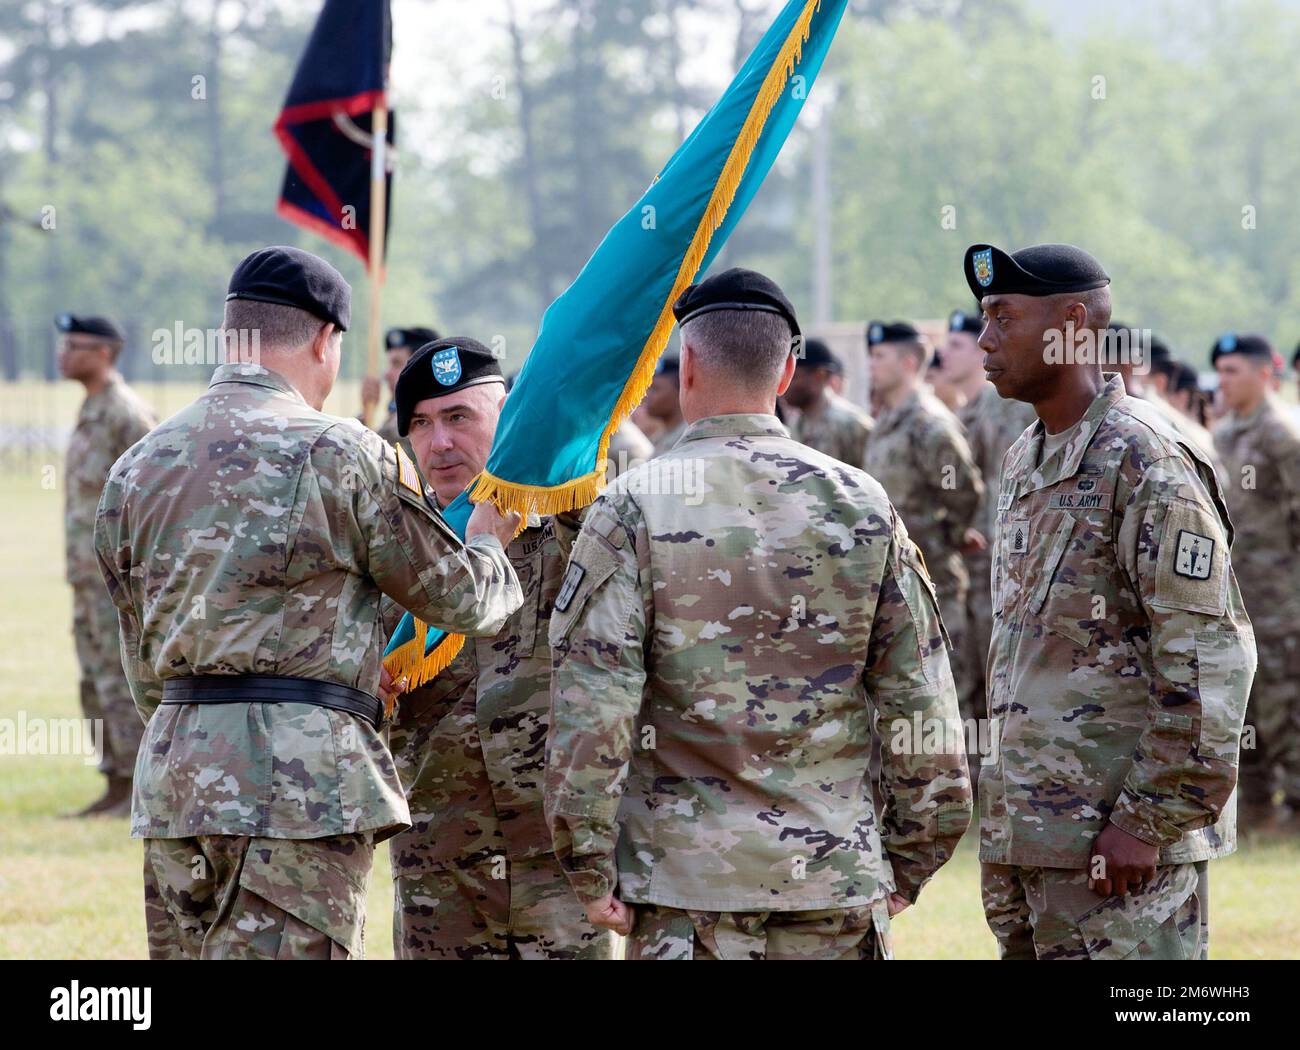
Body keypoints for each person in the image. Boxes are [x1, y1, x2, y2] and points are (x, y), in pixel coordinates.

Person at [94, 246, 523, 960]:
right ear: (326, 339)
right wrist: (486, 542)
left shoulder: (139, 464)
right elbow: (459, 598)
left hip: (175, 785)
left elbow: (143, 665)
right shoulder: (340, 450)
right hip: (297, 793)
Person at [545, 267, 971, 961]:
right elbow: (921, 702)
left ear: (687, 367)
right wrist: (911, 856)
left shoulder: (632, 504)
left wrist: (587, 867)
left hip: (685, 893)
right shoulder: (862, 503)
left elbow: (593, 708)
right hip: (831, 886)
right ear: (787, 372)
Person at [965, 241, 1254, 960]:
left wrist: (1147, 822)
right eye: (984, 317)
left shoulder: (1147, 460)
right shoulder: (1026, 457)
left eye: (1004, 316)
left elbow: (1208, 659)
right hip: (1033, 838)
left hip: (1121, 852)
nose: (985, 339)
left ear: (1071, 323)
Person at [385, 336, 615, 960]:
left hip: (562, 871)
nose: (440, 444)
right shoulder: (399, 552)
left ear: (509, 419)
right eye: (422, 425)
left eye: (459, 417)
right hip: (441, 872)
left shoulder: (579, 530)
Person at [56, 313, 157, 816]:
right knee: (94, 677)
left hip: (114, 577)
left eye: (74, 344)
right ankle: (114, 781)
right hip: (84, 575)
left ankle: (139, 788)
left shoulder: (126, 413)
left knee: (121, 677)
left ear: (104, 353)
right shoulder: (91, 409)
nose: (63, 353)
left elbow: (153, 492)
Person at [863, 320, 983, 727]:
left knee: (946, 701)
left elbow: (964, 489)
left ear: (909, 362)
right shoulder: (887, 419)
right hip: (894, 586)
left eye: (880, 356)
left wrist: (946, 537)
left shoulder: (928, 423)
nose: (871, 365)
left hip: (933, 586)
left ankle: (963, 790)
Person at [1212, 332, 1300, 829]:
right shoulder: (1223, 435)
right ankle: (1259, 806)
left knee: (1286, 709)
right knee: (1247, 707)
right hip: (1238, 596)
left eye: (1233, 371)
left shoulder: (1282, 435)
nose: (1224, 381)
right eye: (1220, 371)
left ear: (1264, 374)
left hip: (1281, 598)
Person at [942, 309, 1035, 742]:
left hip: (1010, 557)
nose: (948, 352)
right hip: (982, 562)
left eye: (957, 343)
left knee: (1001, 671)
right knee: (977, 665)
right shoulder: (974, 409)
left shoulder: (1006, 406)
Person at [782, 337, 874, 468]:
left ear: (820, 375)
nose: (786, 384)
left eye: (795, 377)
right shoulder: (795, 425)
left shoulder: (851, 424)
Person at [362, 325, 438, 442]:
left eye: (396, 364)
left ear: (422, 370)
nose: (386, 374)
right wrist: (367, 412)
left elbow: (369, 454)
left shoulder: (415, 424)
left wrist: (364, 419)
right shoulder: (395, 417)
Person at [643, 356, 686, 457]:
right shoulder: (659, 437)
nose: (646, 395)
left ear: (680, 393)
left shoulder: (686, 439)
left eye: (655, 389)